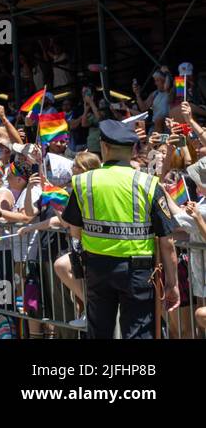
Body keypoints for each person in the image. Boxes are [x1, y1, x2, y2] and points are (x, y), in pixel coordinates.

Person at [62, 118, 179, 339]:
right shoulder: (148, 183)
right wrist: (172, 284)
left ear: (104, 147)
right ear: (133, 149)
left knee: (99, 332)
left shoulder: (82, 182)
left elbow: (74, 231)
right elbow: (167, 241)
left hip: (97, 267)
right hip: (138, 271)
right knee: (138, 333)